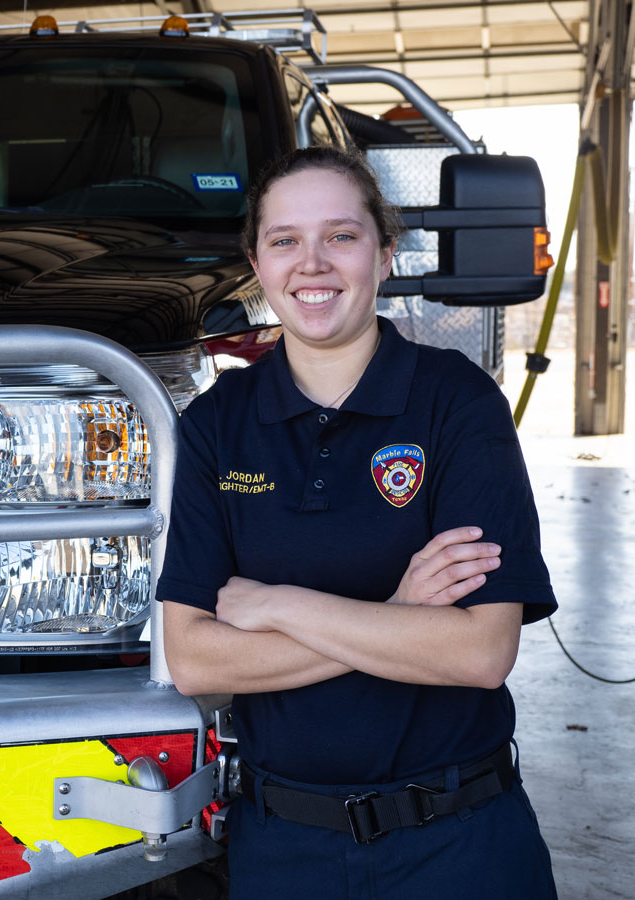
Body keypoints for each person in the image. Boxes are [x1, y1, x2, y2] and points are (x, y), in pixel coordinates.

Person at [158, 146, 558, 899]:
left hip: (459, 842)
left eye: (340, 236)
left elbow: (478, 652)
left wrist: (279, 606)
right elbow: (198, 662)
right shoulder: (217, 424)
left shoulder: (457, 405)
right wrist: (400, 617)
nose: (312, 265)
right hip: (284, 849)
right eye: (285, 241)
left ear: (384, 250)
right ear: (257, 261)